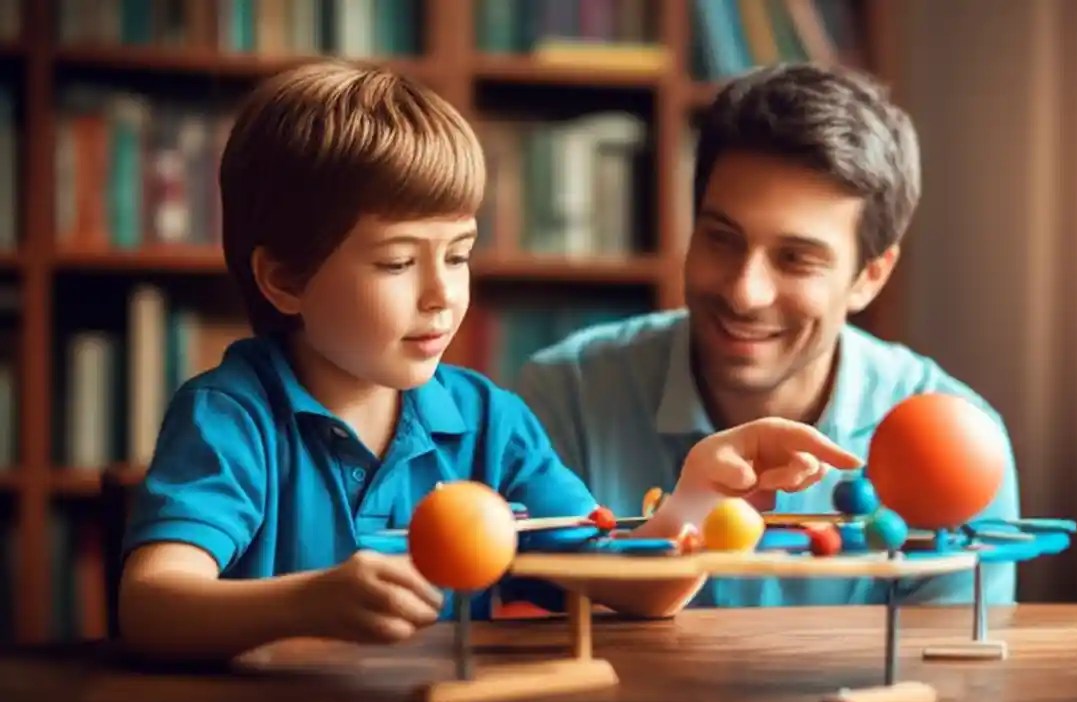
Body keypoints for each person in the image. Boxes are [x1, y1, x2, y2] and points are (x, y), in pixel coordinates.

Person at [115, 61, 861, 661]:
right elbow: (150, 607)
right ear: (284, 278)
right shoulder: (231, 417)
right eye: (398, 262)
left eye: (459, 255)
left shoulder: (489, 424)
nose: (443, 295)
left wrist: (698, 495)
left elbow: (634, 591)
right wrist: (306, 604)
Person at [516, 63, 1022, 609]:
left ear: (870, 276)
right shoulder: (566, 397)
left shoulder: (960, 450)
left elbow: (947, 660)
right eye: (721, 238)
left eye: (796, 259)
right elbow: (528, 630)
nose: (744, 293)